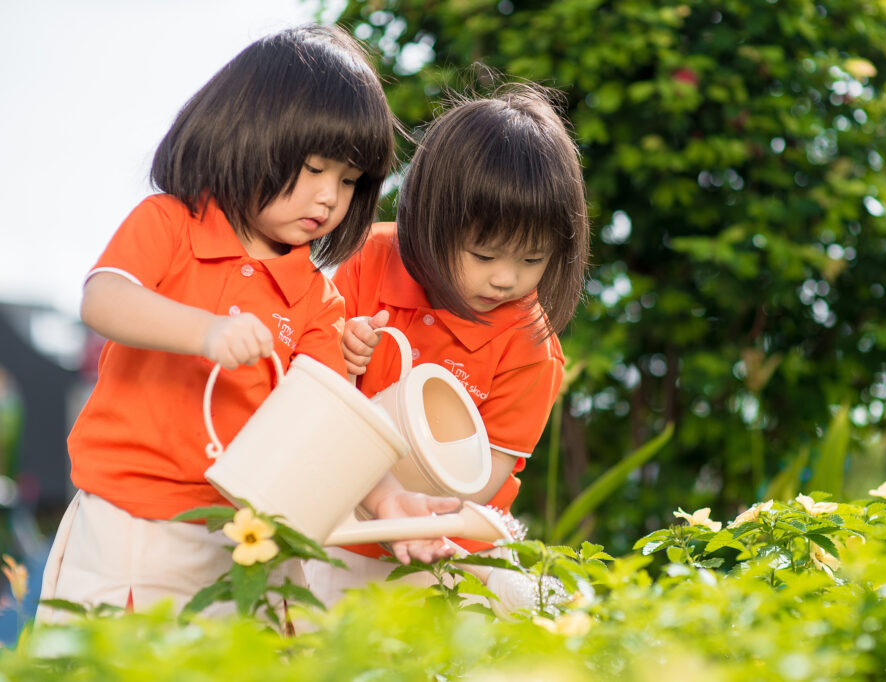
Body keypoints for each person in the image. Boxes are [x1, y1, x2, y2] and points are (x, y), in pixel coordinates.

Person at [36, 25, 458, 621]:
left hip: (247, 537)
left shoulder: (316, 299)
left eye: (347, 181)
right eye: (314, 167)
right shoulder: (170, 224)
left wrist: (387, 501)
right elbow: (104, 299)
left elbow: (328, 426)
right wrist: (204, 331)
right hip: (130, 522)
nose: (328, 199)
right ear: (248, 133)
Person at [306, 84, 590, 599]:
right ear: (432, 220)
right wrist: (342, 354)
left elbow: (481, 483)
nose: (506, 280)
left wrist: (410, 512)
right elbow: (307, 391)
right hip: (340, 529)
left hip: (449, 547)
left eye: (533, 260)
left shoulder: (531, 346)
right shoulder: (366, 261)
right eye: (484, 256)